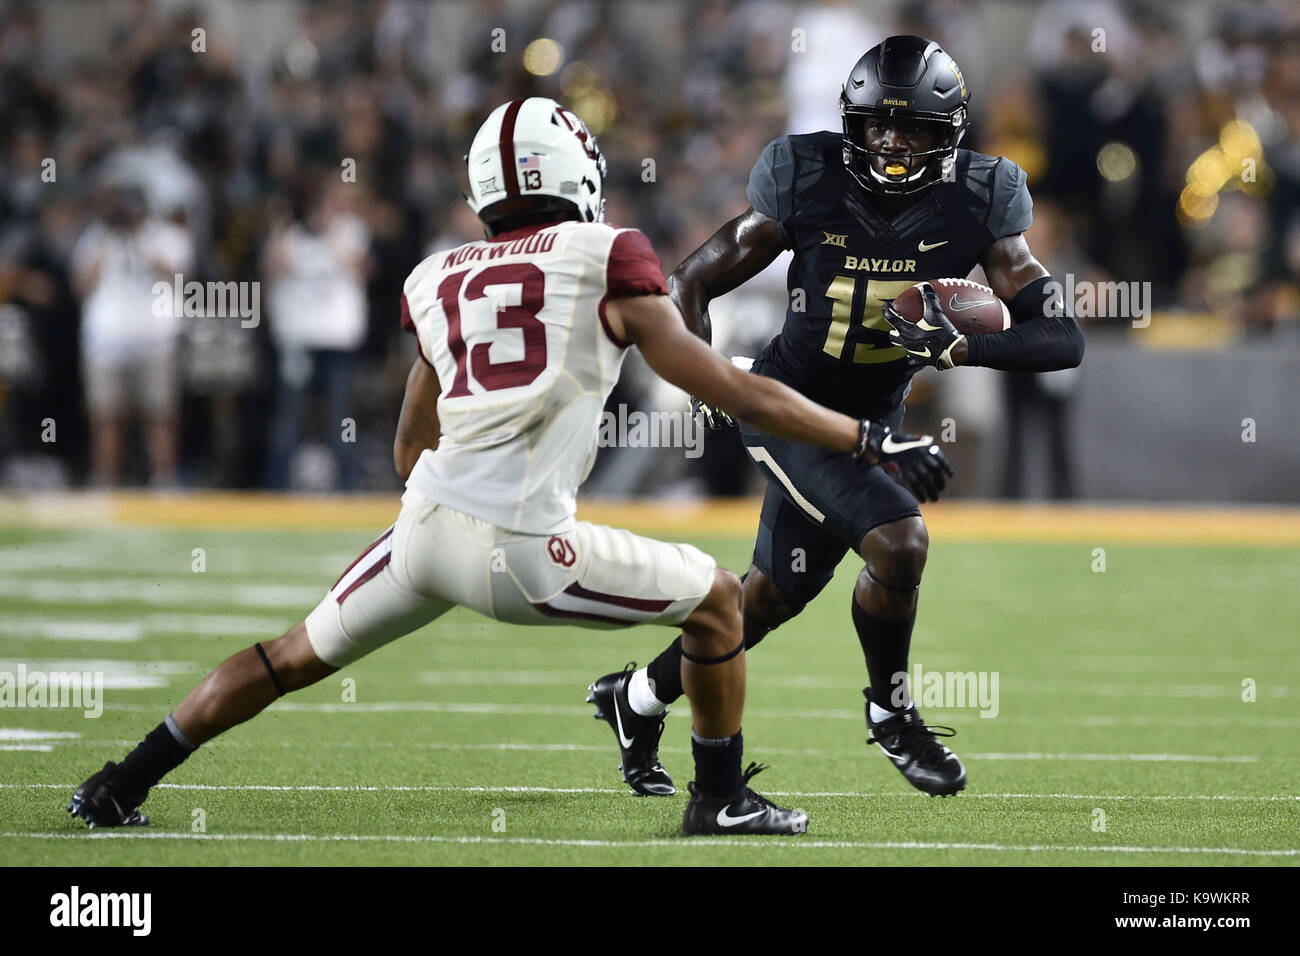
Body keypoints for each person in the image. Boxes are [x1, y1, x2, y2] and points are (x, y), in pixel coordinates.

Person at [67, 97, 935, 837]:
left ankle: (122, 781)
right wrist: (857, 438)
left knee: (289, 655)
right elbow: (728, 388)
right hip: (523, 547)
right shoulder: (606, 255)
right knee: (717, 601)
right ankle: (719, 800)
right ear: (577, 172)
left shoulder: (437, 275)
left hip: (423, 532)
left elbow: (412, 447)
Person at [587, 36, 1085, 799]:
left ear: (947, 131)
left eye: (912, 126)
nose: (891, 142)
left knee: (770, 597)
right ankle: (892, 712)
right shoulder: (807, 177)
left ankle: (636, 700)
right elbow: (688, 284)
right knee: (899, 540)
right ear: (851, 122)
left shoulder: (982, 198)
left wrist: (958, 350)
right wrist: (716, 385)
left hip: (875, 414)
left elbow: (1062, 336)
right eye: (879, 124)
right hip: (790, 404)